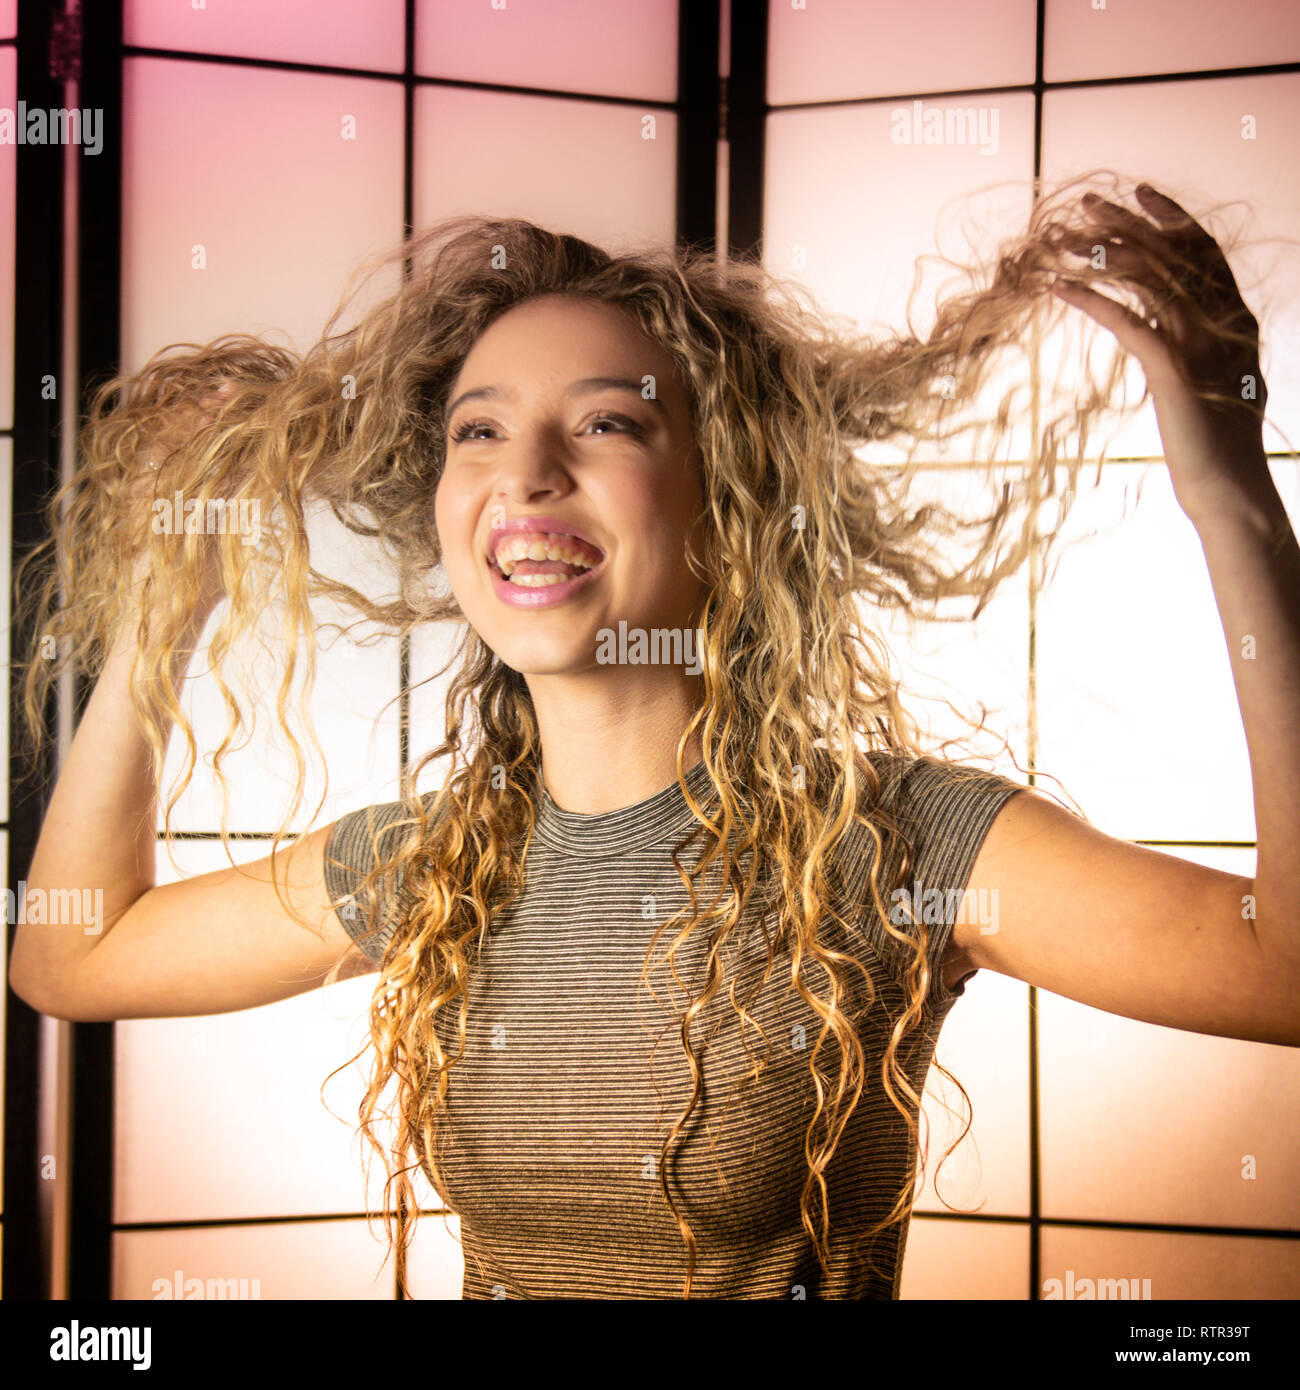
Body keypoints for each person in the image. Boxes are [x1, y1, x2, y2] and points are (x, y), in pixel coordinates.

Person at [10, 180, 1299, 1300]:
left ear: (727, 495)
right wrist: (159, 624)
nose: (524, 474)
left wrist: (1230, 498)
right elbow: (72, 956)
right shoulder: (435, 865)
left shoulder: (899, 844)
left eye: (607, 422)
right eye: (479, 428)